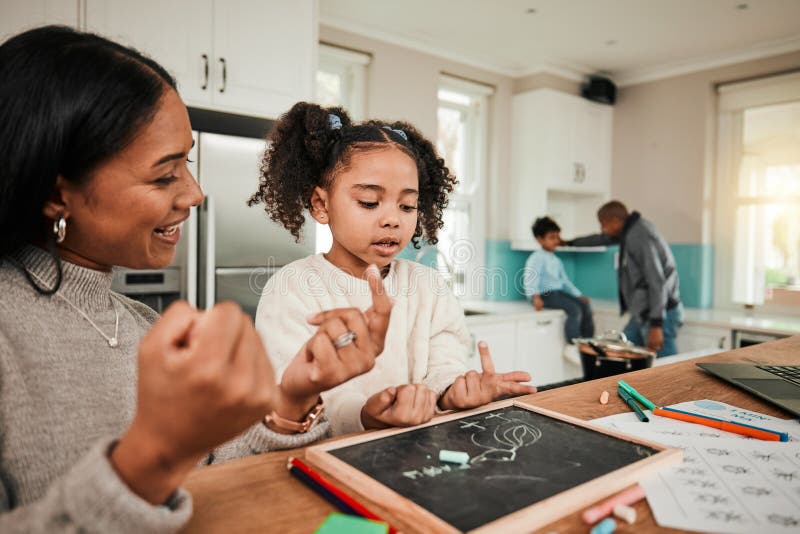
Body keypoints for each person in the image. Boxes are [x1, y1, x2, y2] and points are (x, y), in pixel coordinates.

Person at [0, 26, 390, 533]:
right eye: (165, 174)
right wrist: (152, 456)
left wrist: (292, 395)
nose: (196, 193)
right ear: (58, 194)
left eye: (187, 164)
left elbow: (212, 471)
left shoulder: (137, 322)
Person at [250, 102, 537, 435]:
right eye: (370, 202)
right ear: (321, 204)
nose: (392, 219)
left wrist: (451, 391)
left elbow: (444, 364)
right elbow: (289, 392)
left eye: (407, 205)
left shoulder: (429, 286)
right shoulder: (292, 288)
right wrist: (364, 415)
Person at [565, 200, 683, 356]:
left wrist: (656, 324)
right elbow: (601, 239)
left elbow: (657, 280)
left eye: (603, 223)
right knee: (620, 354)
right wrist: (570, 243)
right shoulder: (628, 231)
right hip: (642, 312)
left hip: (659, 313)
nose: (602, 228)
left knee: (668, 370)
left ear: (615, 221)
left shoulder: (639, 235)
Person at [523, 217, 594, 355]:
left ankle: (588, 342)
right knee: (574, 309)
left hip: (558, 292)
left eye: (557, 237)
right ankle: (574, 343)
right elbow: (531, 277)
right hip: (545, 294)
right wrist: (535, 296)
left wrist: (578, 295)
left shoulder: (556, 260)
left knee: (585, 306)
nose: (556, 241)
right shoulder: (536, 257)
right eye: (552, 237)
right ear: (539, 239)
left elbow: (565, 281)